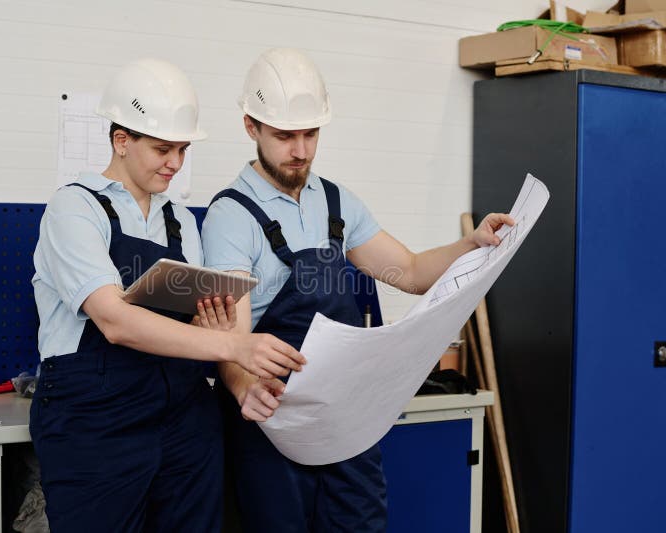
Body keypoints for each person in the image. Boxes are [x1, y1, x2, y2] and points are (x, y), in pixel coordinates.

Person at [201, 48, 513, 532]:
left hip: (346, 419)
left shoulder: (335, 201)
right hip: (273, 421)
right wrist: (245, 388)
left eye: (310, 134)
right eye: (285, 135)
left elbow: (408, 272)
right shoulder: (231, 217)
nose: (300, 150)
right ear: (251, 127)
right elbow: (231, 340)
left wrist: (471, 244)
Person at [29, 58, 305, 533]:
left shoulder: (179, 221)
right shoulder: (73, 208)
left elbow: (195, 328)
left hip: (182, 418)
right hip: (96, 421)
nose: (175, 163)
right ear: (121, 141)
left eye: (181, 149)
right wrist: (237, 344)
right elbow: (113, 321)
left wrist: (235, 364)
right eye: (162, 149)